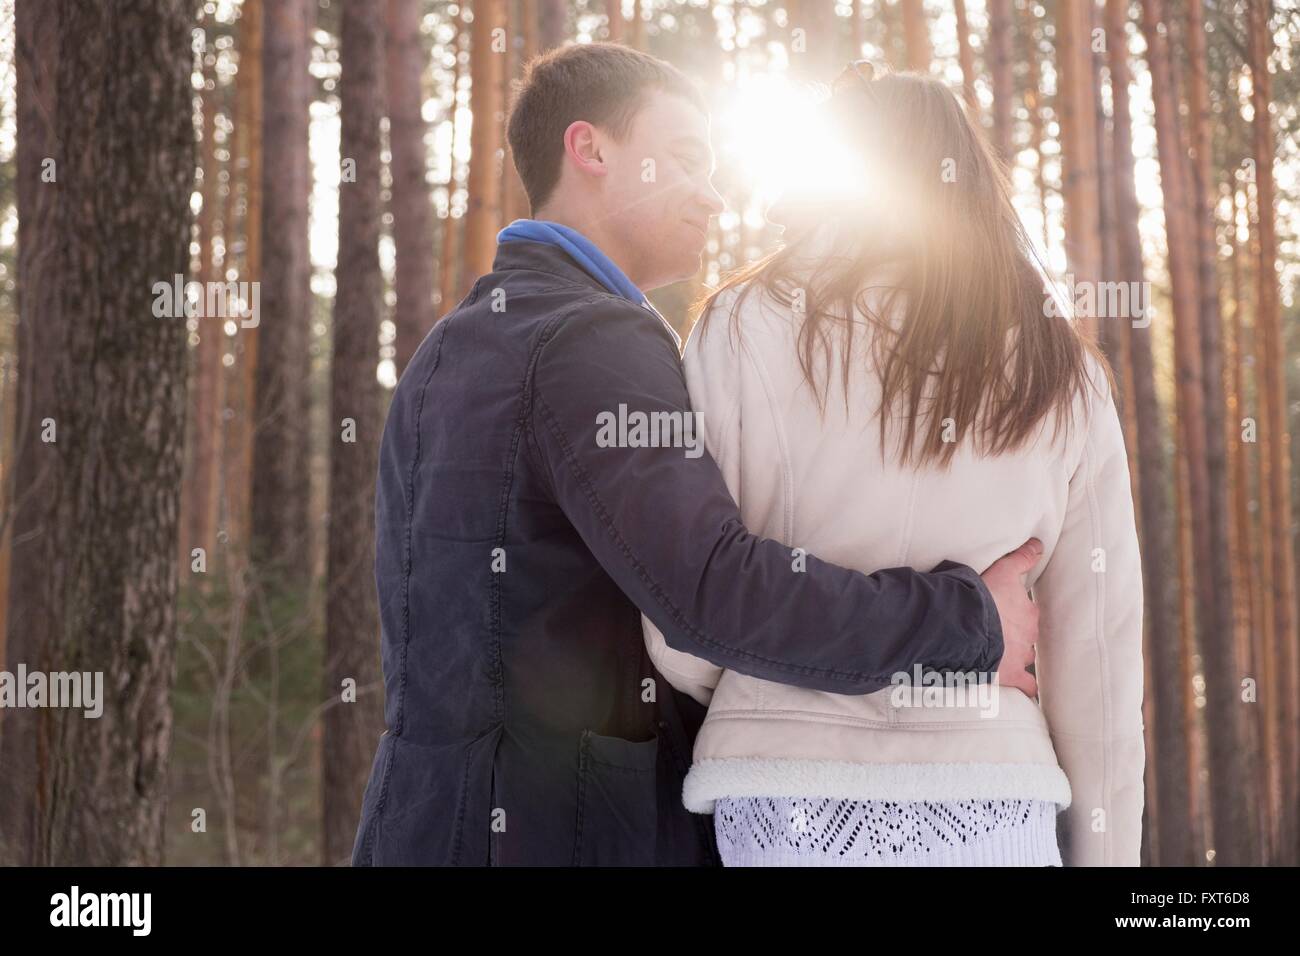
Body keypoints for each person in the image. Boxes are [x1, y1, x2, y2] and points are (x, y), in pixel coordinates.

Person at [350, 43, 1043, 867]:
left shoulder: (453, 342)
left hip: (419, 826)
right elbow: (713, 592)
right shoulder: (592, 337)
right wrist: (971, 627)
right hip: (568, 835)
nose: (715, 196)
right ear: (591, 149)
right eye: (686, 159)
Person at [643, 62, 1145, 866]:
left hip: (785, 798)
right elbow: (1100, 661)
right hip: (990, 791)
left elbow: (684, 622)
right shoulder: (1062, 368)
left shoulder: (740, 323)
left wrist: (763, 690)